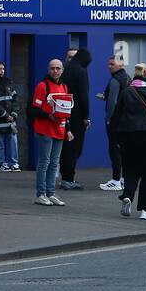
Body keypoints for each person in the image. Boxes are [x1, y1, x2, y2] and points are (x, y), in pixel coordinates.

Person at [112, 63, 146, 220]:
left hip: (127, 136)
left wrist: (116, 138)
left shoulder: (126, 92)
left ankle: (127, 195)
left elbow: (116, 116)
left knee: (130, 170)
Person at [30, 58, 73, 207]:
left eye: (58, 68)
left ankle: (51, 193)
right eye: (52, 68)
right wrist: (49, 115)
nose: (55, 71)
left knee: (54, 163)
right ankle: (41, 194)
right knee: (44, 162)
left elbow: (66, 111)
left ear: (62, 70)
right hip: (45, 129)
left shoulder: (65, 87)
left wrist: (68, 130)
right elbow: (34, 109)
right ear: (48, 70)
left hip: (59, 130)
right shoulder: (42, 86)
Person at [59, 48, 92, 190]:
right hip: (77, 114)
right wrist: (86, 116)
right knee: (75, 148)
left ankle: (63, 176)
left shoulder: (64, 69)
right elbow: (84, 96)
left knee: (64, 147)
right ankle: (68, 178)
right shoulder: (81, 71)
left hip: (62, 111)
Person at [99, 57, 128, 191]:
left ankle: (116, 180)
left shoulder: (115, 80)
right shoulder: (127, 78)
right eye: (108, 64)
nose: (109, 66)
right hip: (126, 119)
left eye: (112, 64)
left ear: (121, 65)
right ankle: (123, 179)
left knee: (114, 149)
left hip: (116, 120)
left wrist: (109, 118)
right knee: (123, 150)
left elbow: (112, 101)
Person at [0, 61, 20, 172]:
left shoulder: (8, 83)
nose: (2, 71)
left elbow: (16, 100)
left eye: (3, 69)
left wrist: (14, 114)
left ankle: (14, 163)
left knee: (13, 141)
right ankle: (1, 164)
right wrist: (5, 115)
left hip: (10, 120)